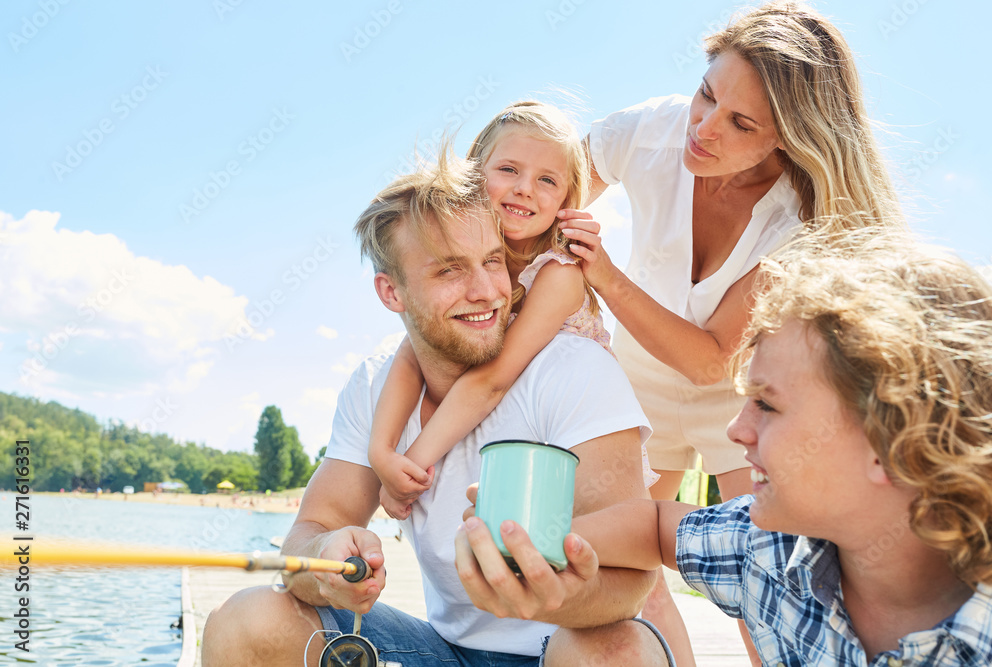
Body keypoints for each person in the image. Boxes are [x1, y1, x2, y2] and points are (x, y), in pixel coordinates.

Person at [201, 151, 672, 666]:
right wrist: (324, 561)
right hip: (442, 652)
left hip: (560, 647)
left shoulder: (574, 369)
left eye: (492, 260)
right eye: (450, 270)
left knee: (621, 650)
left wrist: (560, 595)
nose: (486, 292)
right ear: (391, 292)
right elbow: (308, 535)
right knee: (244, 620)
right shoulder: (373, 385)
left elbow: (633, 579)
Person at [558, 1, 903, 657]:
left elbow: (711, 359)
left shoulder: (805, 219)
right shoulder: (648, 130)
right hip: (637, 379)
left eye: (741, 122)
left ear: (788, 137)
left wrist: (602, 274)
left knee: (766, 573)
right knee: (620, 567)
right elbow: (542, 191)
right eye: (707, 94)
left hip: (738, 395)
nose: (704, 128)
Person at [571, 230, 992, 665]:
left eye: (767, 405)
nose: (736, 429)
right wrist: (539, 551)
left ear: (894, 444)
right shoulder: (771, 548)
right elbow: (655, 527)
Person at [369, 101, 658, 522]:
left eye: (547, 180)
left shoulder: (559, 273)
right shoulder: (480, 261)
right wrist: (381, 452)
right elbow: (412, 352)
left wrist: (411, 465)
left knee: (596, 540)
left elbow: (493, 380)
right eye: (508, 170)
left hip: (573, 438)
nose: (525, 189)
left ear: (566, 199)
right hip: (509, 436)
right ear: (474, 175)